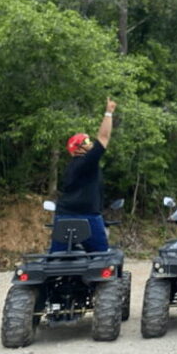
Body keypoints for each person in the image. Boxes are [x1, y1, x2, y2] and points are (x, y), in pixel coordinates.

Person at [51, 98, 117, 253]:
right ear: (78, 148)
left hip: (63, 217)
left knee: (56, 258)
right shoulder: (87, 161)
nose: (91, 143)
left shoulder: (70, 167)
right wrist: (109, 112)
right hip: (88, 218)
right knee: (103, 258)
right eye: (86, 141)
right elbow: (103, 138)